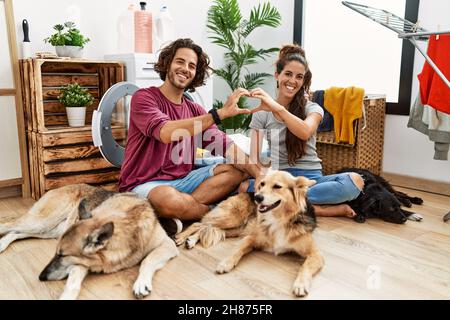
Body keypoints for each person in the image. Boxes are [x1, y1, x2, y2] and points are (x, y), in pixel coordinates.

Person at [118, 38, 263, 235]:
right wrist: (217, 114)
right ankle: (212, 213)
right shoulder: (144, 98)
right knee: (167, 198)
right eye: (180, 61)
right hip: (145, 183)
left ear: (196, 74)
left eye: (192, 66)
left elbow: (226, 146)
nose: (185, 68)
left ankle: (180, 214)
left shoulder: (194, 109)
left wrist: (262, 176)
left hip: (184, 180)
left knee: (238, 169)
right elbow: (166, 132)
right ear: (168, 63)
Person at [240, 44, 364, 218]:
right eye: (288, 74)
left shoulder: (312, 108)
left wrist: (278, 108)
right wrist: (263, 177)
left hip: (311, 180)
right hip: (280, 179)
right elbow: (255, 158)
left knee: (354, 182)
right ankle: (317, 209)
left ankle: (285, 204)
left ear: (303, 81)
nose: (293, 81)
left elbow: (305, 131)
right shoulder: (261, 114)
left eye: (299, 77)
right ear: (277, 75)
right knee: (244, 187)